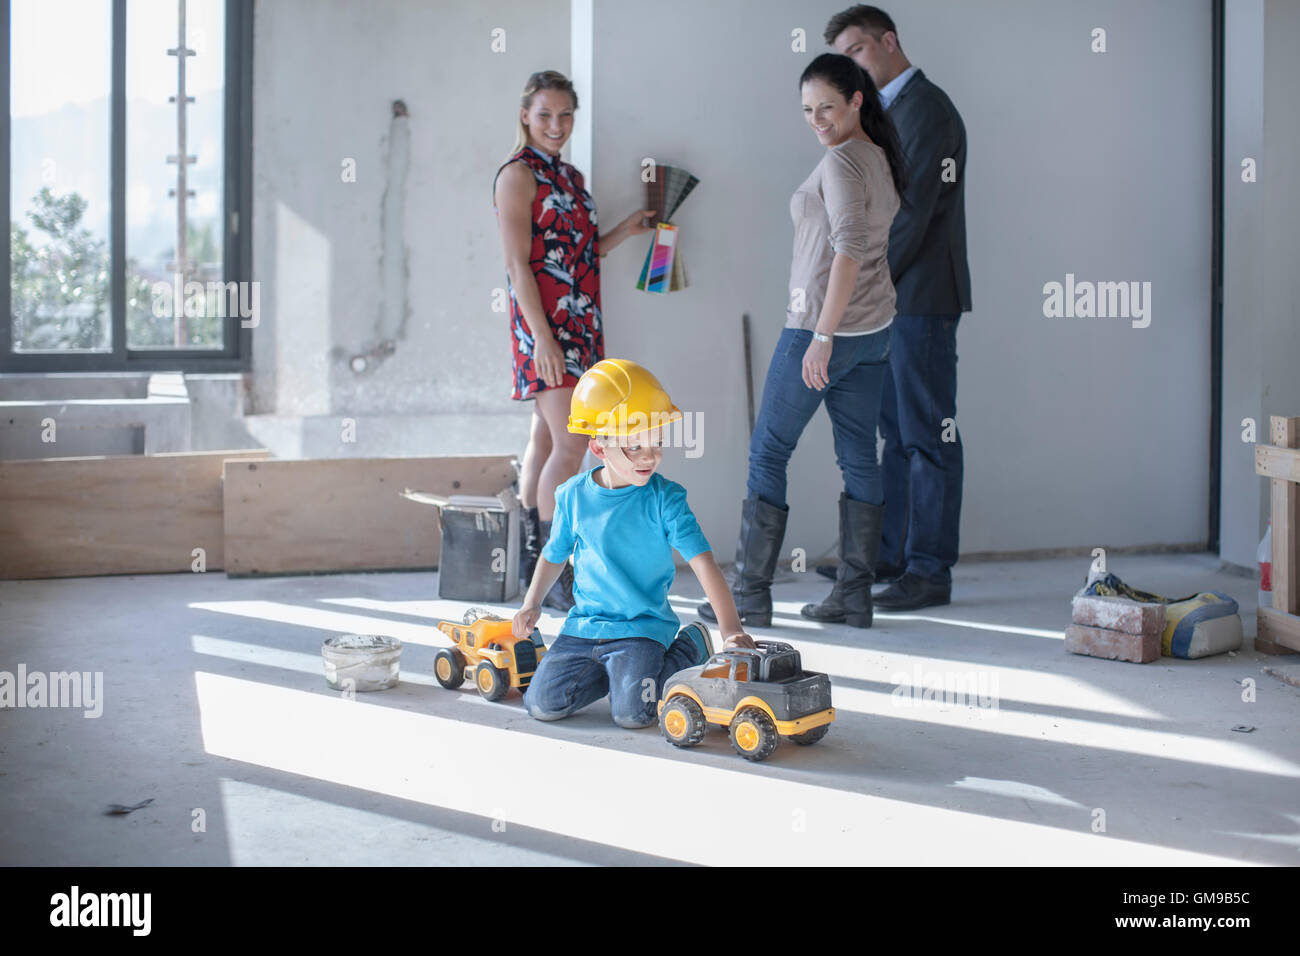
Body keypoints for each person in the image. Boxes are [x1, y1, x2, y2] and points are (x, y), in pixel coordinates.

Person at [700, 53, 905, 630]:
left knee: (769, 451)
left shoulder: (842, 162)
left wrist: (820, 336)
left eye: (827, 108)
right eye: (808, 110)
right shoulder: (880, 156)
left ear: (856, 100)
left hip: (823, 331)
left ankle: (750, 595)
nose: (816, 119)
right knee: (860, 457)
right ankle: (854, 595)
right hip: (874, 332)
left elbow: (848, 249)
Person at [819, 6, 972, 611]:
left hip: (921, 299)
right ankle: (888, 554)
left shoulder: (927, 109)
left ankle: (929, 570)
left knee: (928, 433)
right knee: (893, 432)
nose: (850, 66)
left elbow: (913, 212)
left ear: (888, 42)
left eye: (857, 51)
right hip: (889, 300)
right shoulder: (883, 114)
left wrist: (859, 282)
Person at [513, 359, 755, 728]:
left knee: (634, 714)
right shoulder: (572, 496)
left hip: (641, 629)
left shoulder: (666, 499)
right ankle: (620, 677)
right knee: (541, 704)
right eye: (634, 446)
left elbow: (704, 564)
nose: (650, 456)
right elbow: (554, 555)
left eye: (656, 442)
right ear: (598, 448)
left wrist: (731, 631)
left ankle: (690, 646)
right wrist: (531, 603)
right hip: (585, 628)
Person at [493, 70, 655, 612]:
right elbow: (518, 264)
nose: (556, 125)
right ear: (525, 115)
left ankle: (525, 564)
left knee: (546, 439)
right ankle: (554, 573)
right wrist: (542, 338)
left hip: (582, 323)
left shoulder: (571, 176)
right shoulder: (518, 176)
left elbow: (578, 254)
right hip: (546, 327)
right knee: (574, 445)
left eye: (565, 115)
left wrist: (625, 231)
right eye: (545, 115)